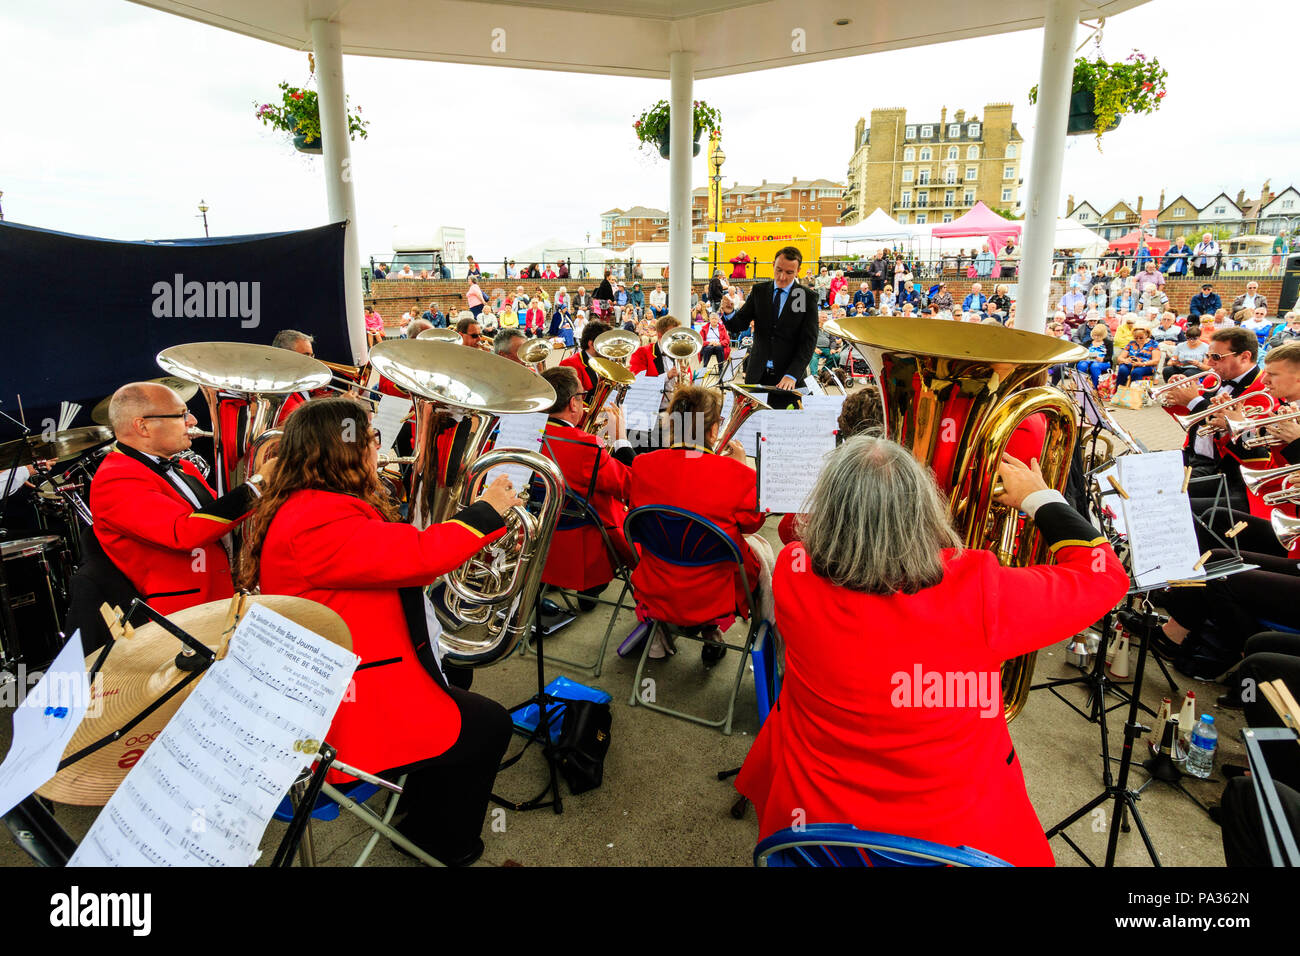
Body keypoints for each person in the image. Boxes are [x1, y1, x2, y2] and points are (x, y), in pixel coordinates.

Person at [735, 437, 1128, 866]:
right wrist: (1040, 497)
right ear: (924, 508)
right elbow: (1103, 576)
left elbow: (797, 532)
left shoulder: (795, 572)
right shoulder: (980, 590)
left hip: (812, 834)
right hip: (950, 844)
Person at [242, 397, 517, 866]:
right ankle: (445, 846)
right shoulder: (316, 517)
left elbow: (384, 553)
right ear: (341, 448)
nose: (379, 445)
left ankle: (420, 810)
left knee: (459, 685)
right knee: (489, 724)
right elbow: (421, 557)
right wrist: (487, 512)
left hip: (359, 658)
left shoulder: (315, 503)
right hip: (345, 695)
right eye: (371, 437)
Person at [89, 381, 273, 615]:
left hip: (225, 593)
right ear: (143, 426)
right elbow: (184, 533)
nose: (193, 421)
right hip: (184, 612)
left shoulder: (185, 466)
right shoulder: (115, 479)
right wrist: (259, 484)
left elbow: (219, 518)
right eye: (181, 415)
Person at [628, 385, 771, 662]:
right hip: (716, 590)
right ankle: (755, 641)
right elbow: (753, 522)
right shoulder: (734, 474)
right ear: (715, 429)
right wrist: (741, 469)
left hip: (657, 581)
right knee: (762, 552)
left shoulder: (644, 464)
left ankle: (660, 630)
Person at [536, 367, 636, 607]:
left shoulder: (523, 433)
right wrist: (620, 438)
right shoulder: (587, 446)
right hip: (580, 547)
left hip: (536, 539)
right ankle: (592, 589)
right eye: (582, 396)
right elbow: (631, 486)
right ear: (573, 403)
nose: (584, 402)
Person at [723, 246, 818, 410]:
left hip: (788, 379)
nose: (782, 277)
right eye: (779, 270)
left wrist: (792, 374)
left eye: (789, 273)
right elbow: (740, 323)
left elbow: (808, 342)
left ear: (798, 270)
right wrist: (730, 313)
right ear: (773, 264)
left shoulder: (803, 296)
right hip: (757, 374)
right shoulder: (760, 291)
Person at [559, 319, 612, 397]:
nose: (610, 348)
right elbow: (570, 401)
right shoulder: (569, 364)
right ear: (592, 344)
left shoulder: (603, 361)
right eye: (606, 343)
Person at [630, 315, 683, 381]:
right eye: (673, 335)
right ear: (660, 334)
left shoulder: (680, 354)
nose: (677, 339)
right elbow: (637, 381)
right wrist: (667, 376)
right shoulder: (641, 352)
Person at [1076, 324, 1113, 389]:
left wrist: (1102, 359)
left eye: (1099, 336)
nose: (1096, 337)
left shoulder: (1108, 343)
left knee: (1095, 366)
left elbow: (1109, 356)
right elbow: (1082, 353)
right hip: (1088, 360)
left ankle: (1095, 388)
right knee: (1082, 365)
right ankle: (1081, 386)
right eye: (1095, 335)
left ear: (1103, 335)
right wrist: (1084, 357)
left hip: (1103, 362)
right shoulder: (1087, 342)